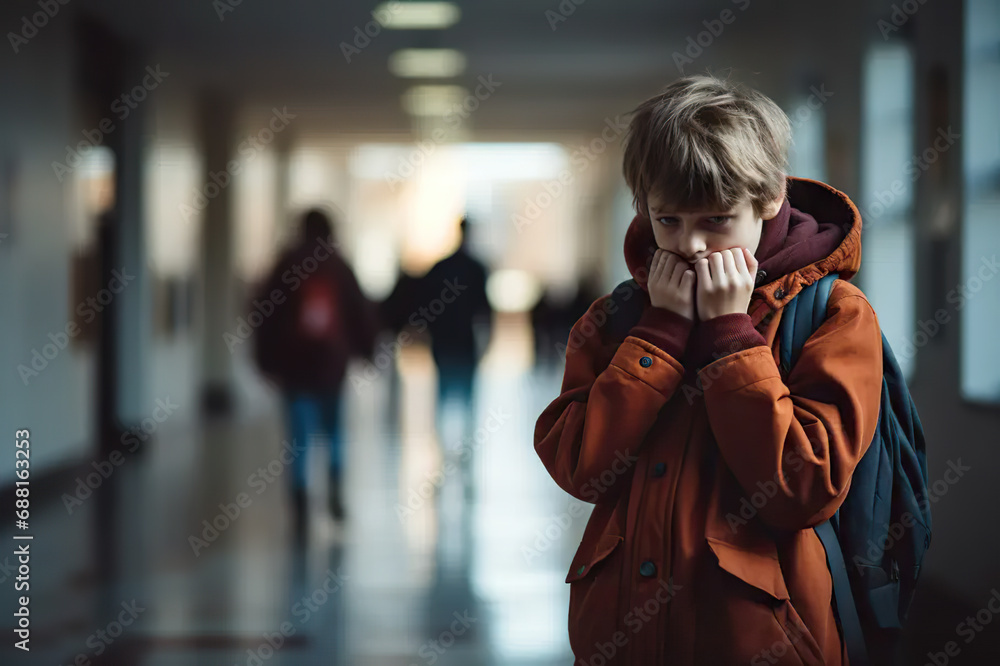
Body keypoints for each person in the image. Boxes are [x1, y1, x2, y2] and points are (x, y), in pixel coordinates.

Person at [533, 75, 883, 665]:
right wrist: (658, 336)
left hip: (762, 638)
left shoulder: (836, 314)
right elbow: (580, 469)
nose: (690, 245)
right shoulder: (618, 316)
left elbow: (802, 488)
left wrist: (730, 339)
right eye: (667, 220)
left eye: (717, 220)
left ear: (769, 196)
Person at [253, 208, 377, 537]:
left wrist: (265, 361)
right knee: (334, 432)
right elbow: (359, 312)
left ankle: (300, 503)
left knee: (299, 439)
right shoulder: (338, 266)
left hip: (294, 369)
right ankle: (335, 487)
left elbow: (264, 314)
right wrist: (367, 351)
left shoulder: (285, 265)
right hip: (331, 367)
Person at [419, 216, 493, 443]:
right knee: (467, 397)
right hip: (464, 342)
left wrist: (427, 334)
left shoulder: (441, 267)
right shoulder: (476, 268)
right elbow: (484, 311)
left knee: (443, 394)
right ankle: (465, 443)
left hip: (444, 341)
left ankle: (443, 442)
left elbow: (426, 306)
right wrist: (487, 341)